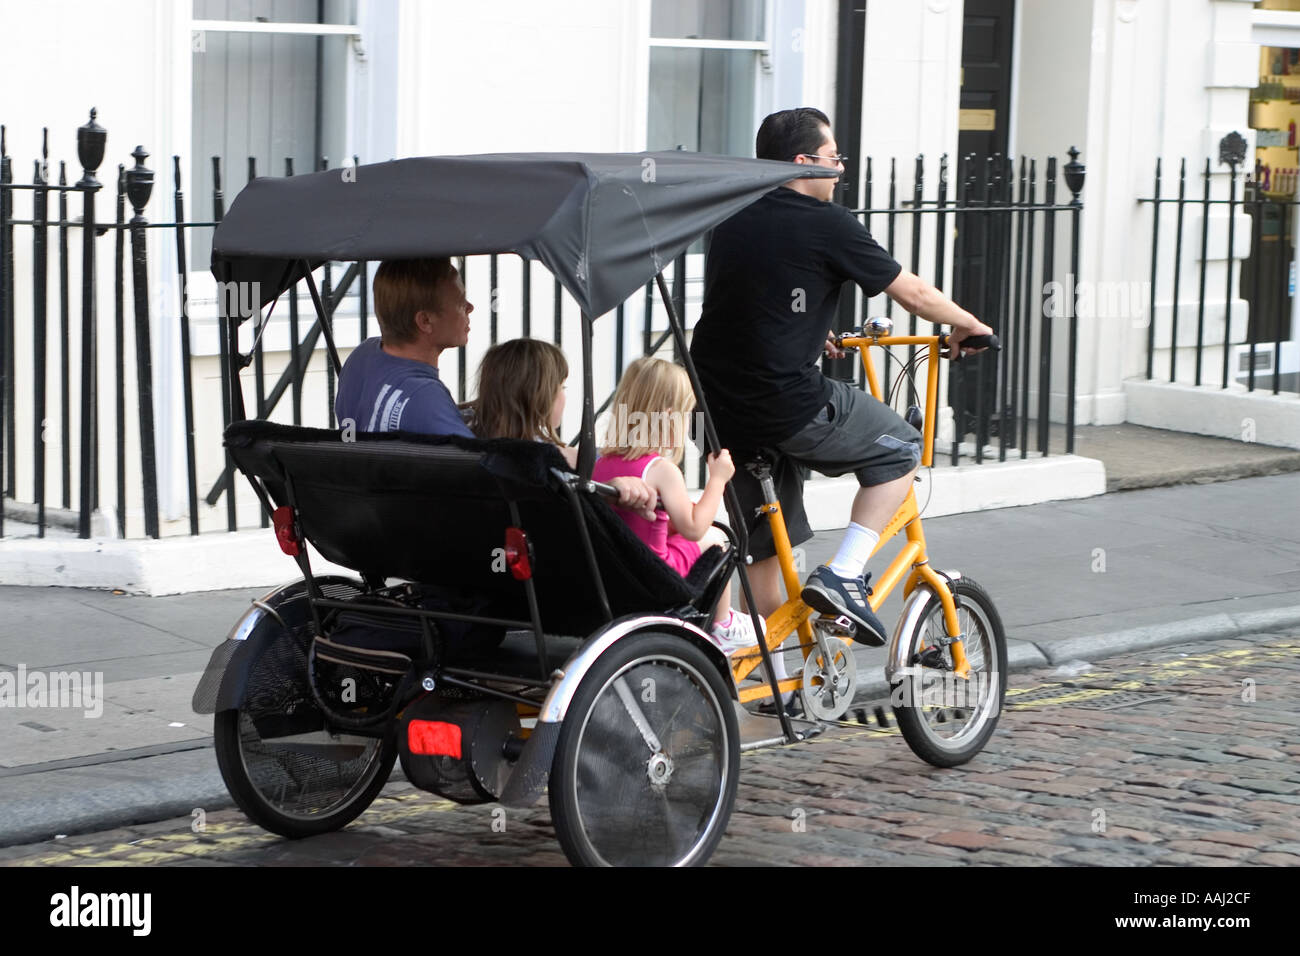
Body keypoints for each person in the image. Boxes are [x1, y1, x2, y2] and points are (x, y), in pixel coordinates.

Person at [689, 107, 995, 653]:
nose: (841, 169)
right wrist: (967, 324)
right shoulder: (825, 222)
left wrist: (809, 332)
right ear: (805, 162)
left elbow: (756, 297)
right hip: (783, 403)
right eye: (835, 160)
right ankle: (845, 574)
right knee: (901, 444)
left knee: (763, 542)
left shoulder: (733, 216)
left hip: (714, 408)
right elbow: (912, 293)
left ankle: (779, 671)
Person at [593, 357, 760, 656]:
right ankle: (722, 624)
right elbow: (694, 528)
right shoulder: (661, 469)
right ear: (669, 416)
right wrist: (718, 480)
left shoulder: (602, 463)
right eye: (686, 416)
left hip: (617, 570)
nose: (687, 424)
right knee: (716, 538)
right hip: (656, 572)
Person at [470, 337, 658, 520]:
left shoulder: (470, 446)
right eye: (562, 387)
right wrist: (604, 492)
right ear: (541, 395)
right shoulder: (550, 461)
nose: (564, 396)